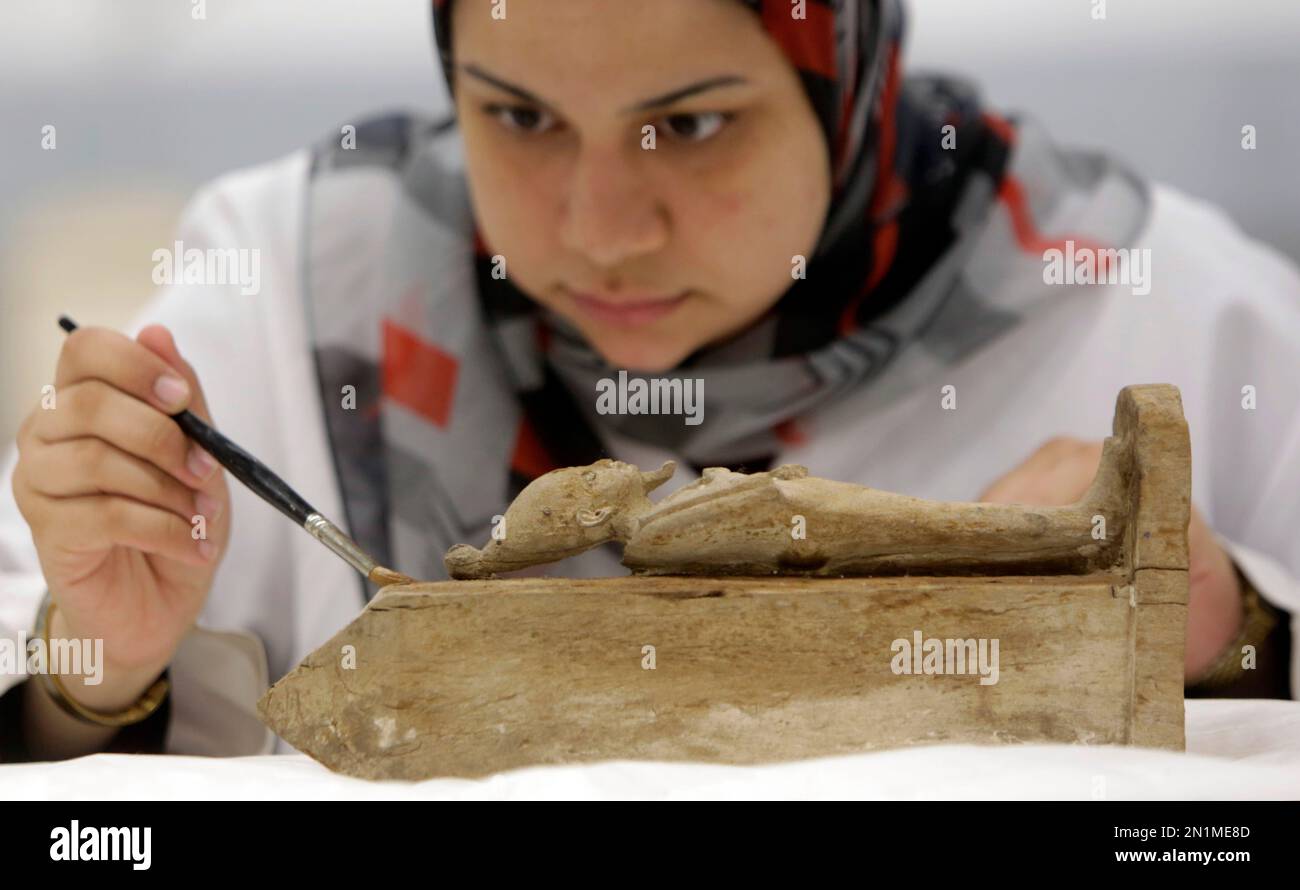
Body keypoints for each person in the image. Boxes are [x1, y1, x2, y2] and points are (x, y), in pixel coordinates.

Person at [1, 0, 1297, 761]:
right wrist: (91, 673)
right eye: (517, 117)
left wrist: (1237, 630)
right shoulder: (285, 295)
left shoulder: (1155, 308)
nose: (601, 226)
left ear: (844, 78)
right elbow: (59, 728)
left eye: (688, 124)